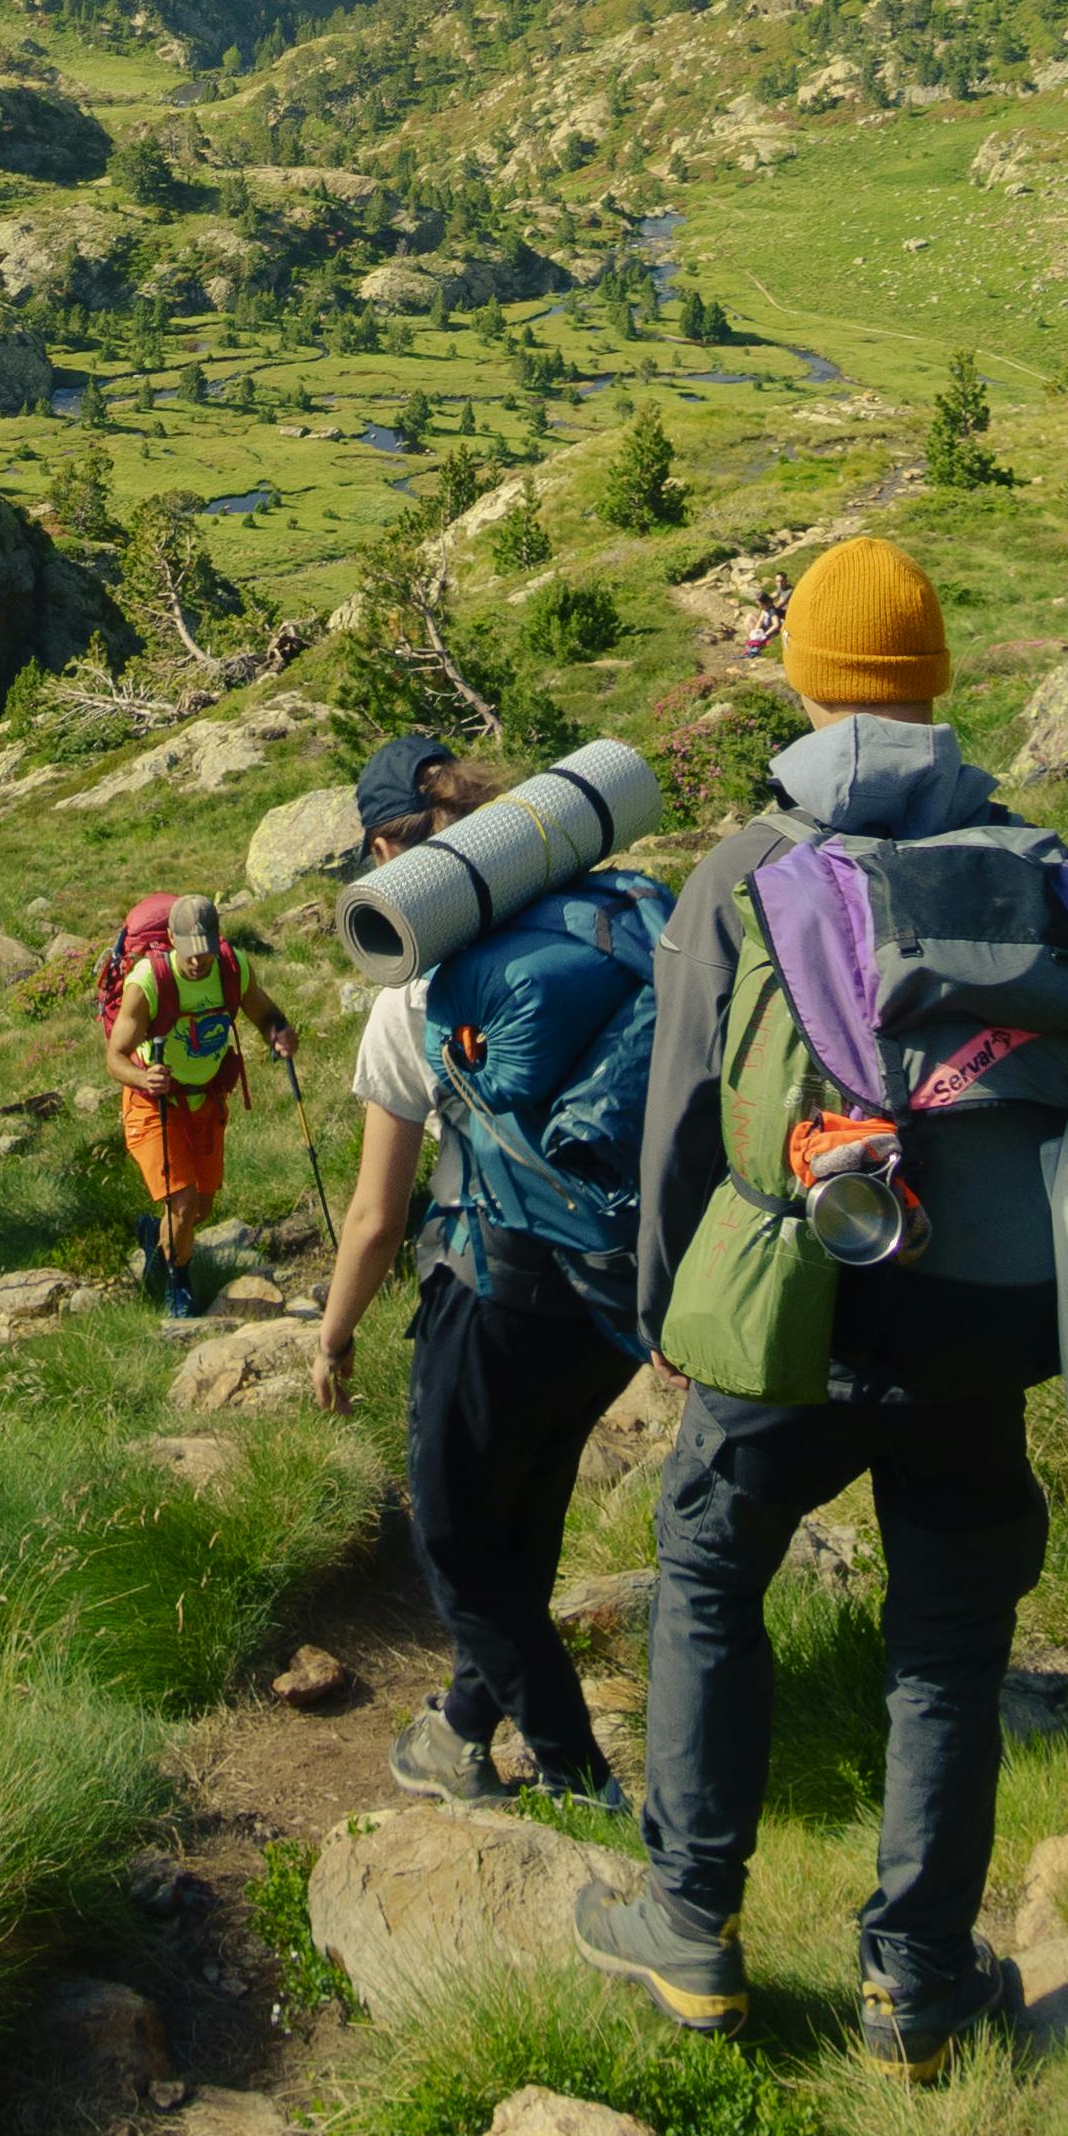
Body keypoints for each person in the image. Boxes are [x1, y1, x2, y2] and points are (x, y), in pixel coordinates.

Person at [574, 536, 1068, 2082]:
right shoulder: (1057, 875)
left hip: (794, 1316)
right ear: (938, 683)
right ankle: (915, 1977)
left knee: (709, 1574)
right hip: (982, 1319)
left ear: (804, 679)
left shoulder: (748, 872)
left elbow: (684, 1120)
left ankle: (692, 1922)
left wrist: (663, 1309)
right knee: (950, 1636)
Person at [313, 730, 647, 1818]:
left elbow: (373, 1215)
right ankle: (461, 1724)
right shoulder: (608, 915)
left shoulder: (415, 994)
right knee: (528, 1513)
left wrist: (331, 1334)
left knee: (457, 1538)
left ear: (383, 848)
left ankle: (574, 1775)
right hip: (613, 1291)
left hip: (493, 1284)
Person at [105, 892, 297, 1324]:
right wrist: (141, 1077)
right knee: (185, 1205)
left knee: (203, 1208)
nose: (197, 962)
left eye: (205, 952)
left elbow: (265, 1013)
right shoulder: (148, 982)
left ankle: (157, 1238)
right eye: (188, 953)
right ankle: (179, 1288)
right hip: (154, 1102)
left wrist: (279, 1034)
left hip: (206, 1099)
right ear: (171, 938)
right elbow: (115, 1056)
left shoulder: (232, 968)